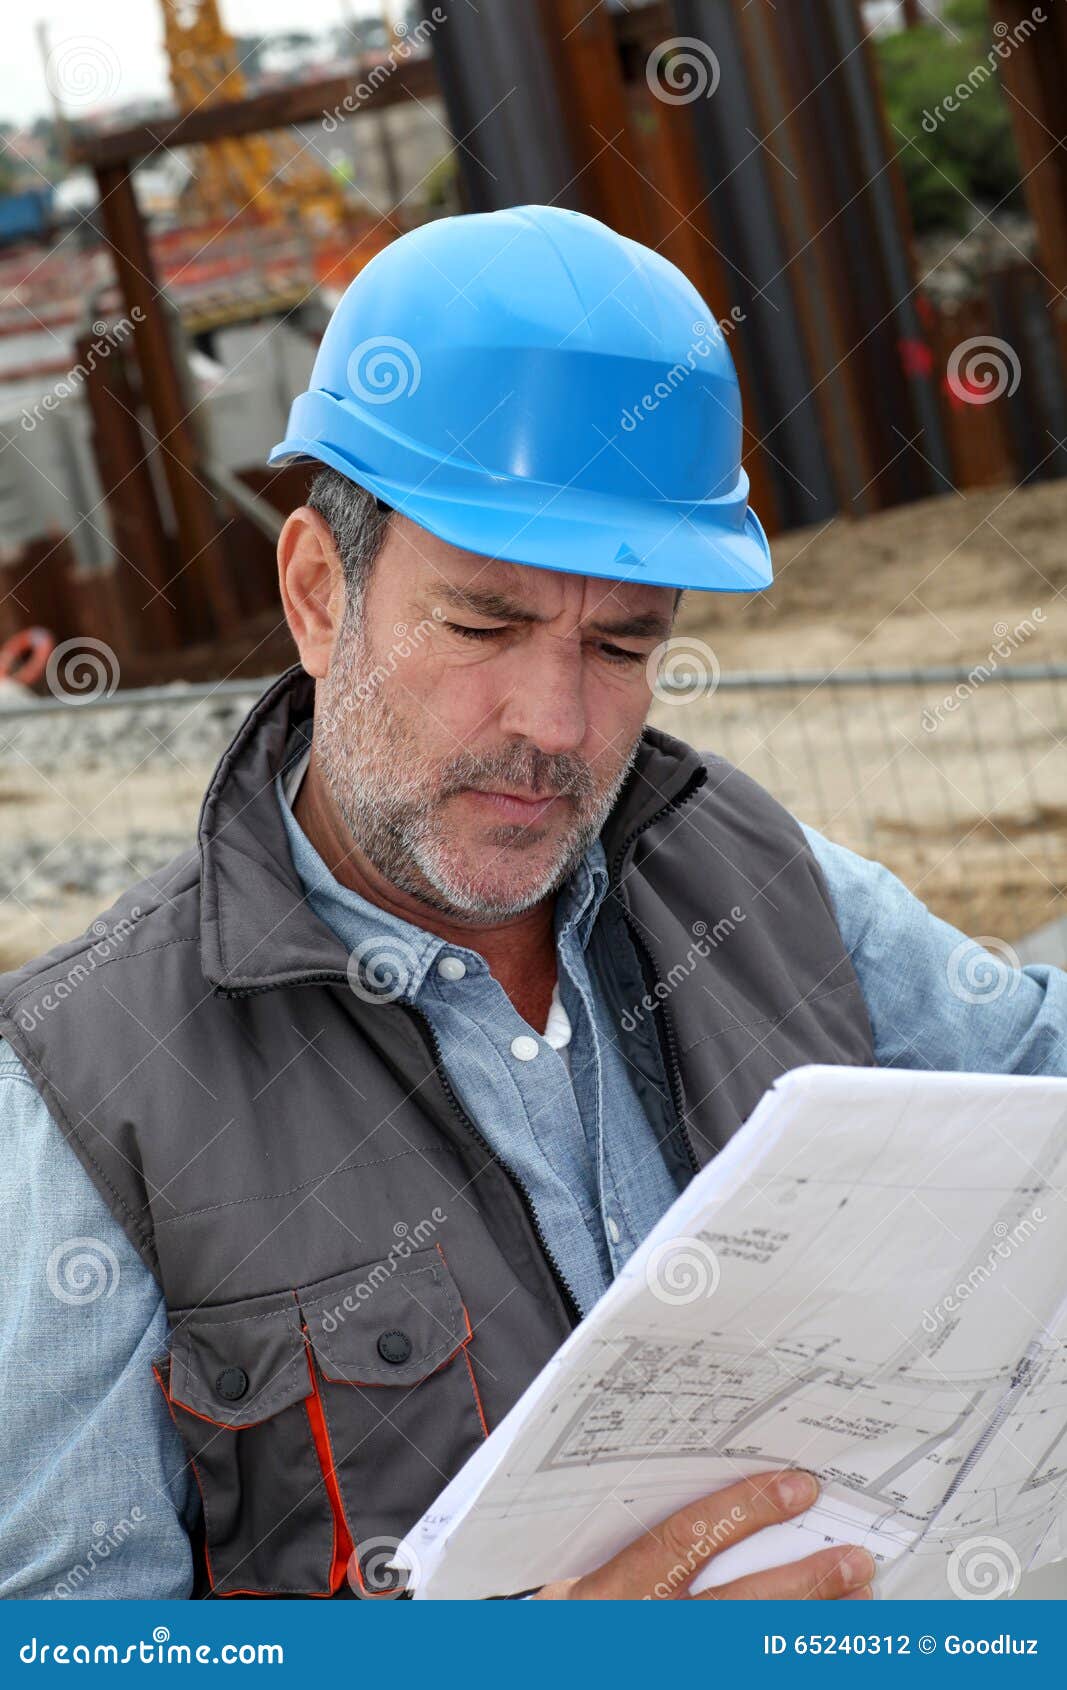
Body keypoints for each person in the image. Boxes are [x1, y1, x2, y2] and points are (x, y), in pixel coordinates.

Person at [1, 207, 1063, 1601]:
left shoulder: (754, 875)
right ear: (322, 595)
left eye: (624, 643)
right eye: (486, 625)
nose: (557, 725)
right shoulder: (88, 1081)